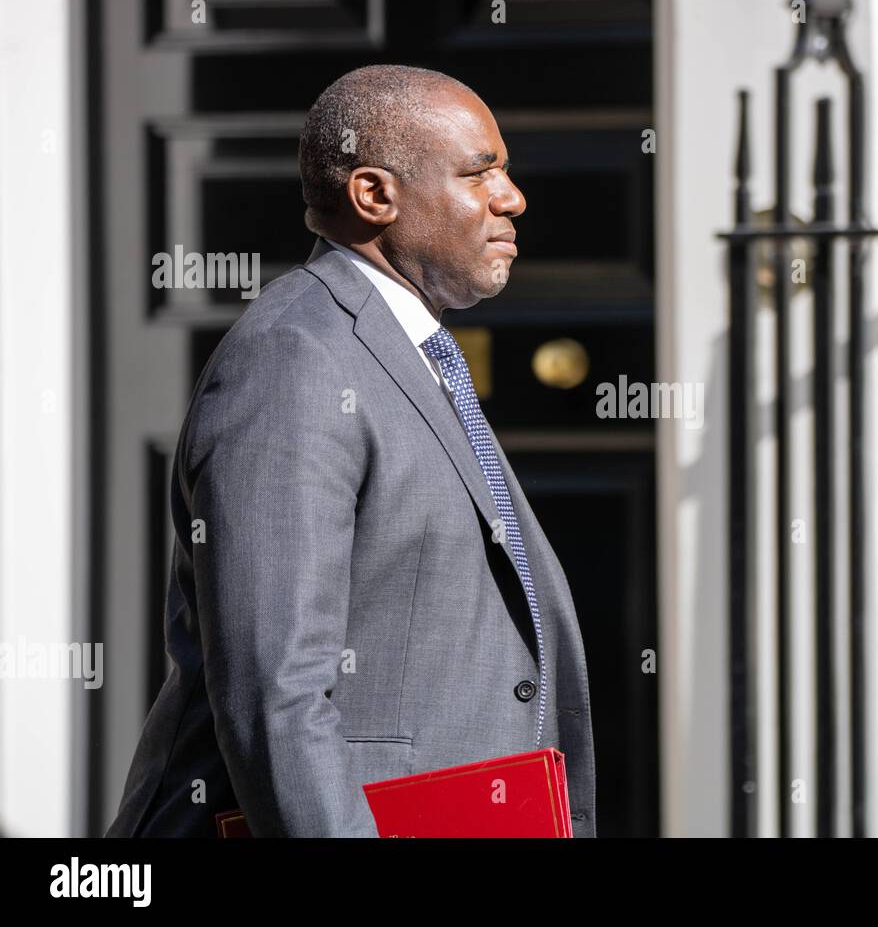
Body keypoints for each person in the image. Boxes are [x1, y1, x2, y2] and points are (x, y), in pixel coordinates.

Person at [105, 64, 596, 837]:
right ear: (375, 196)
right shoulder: (294, 358)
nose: (512, 196)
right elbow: (279, 692)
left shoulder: (408, 352)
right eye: (480, 172)